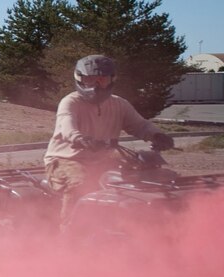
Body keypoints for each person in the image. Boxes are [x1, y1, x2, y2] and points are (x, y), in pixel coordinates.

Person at [44, 54, 174, 231]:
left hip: (103, 160)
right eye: (90, 80)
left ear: (111, 80)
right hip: (65, 160)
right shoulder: (70, 102)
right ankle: (69, 235)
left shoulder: (119, 104)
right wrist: (78, 138)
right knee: (81, 184)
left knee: (148, 179)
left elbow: (140, 125)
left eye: (102, 80)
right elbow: (66, 124)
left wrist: (157, 135)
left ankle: (146, 227)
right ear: (80, 79)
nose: (96, 86)